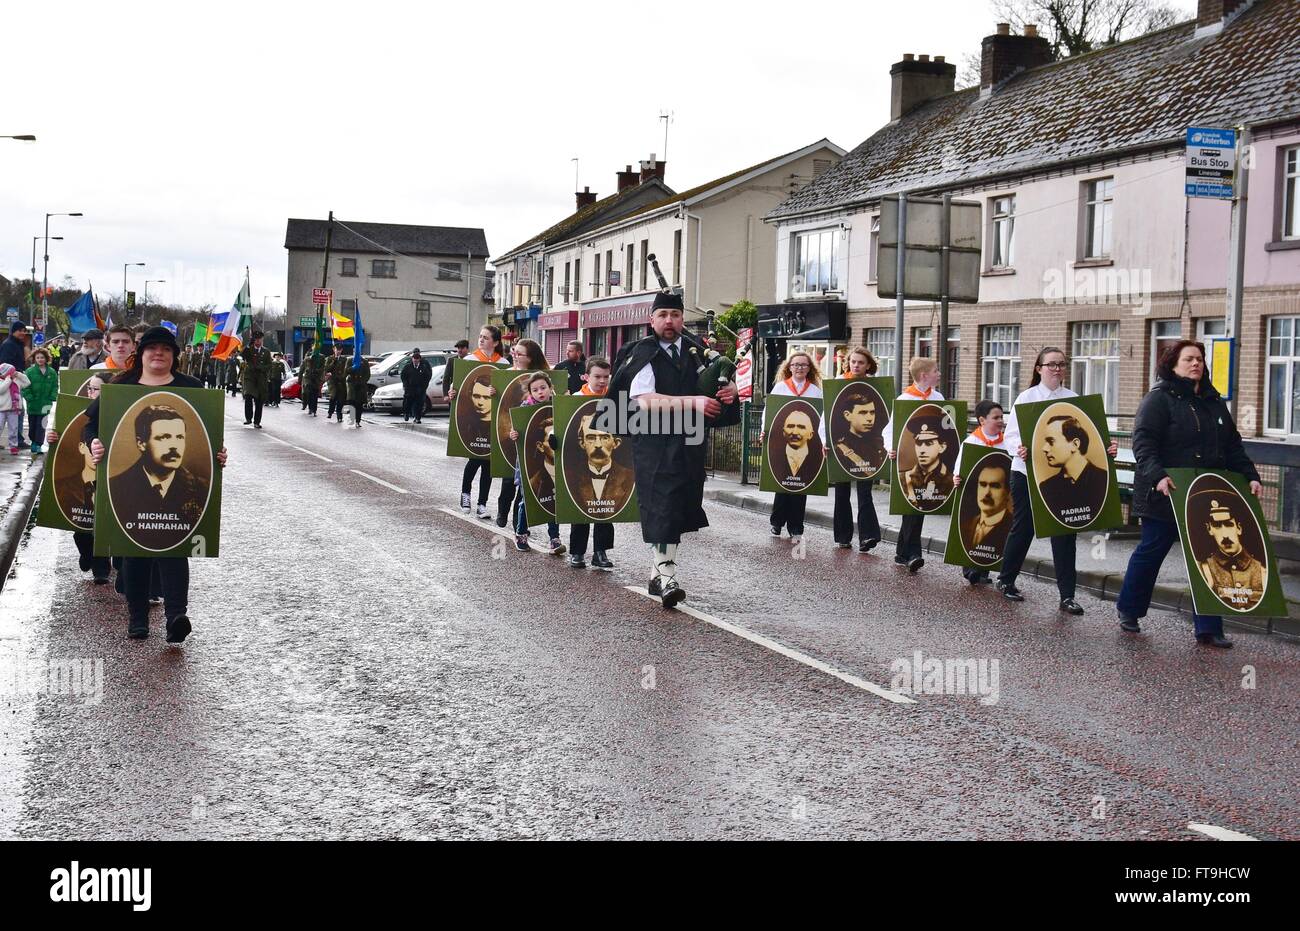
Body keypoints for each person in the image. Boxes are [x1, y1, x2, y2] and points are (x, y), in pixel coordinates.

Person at [82, 325, 228, 642]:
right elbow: (90, 424)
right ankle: (137, 619)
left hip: (180, 494)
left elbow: (209, 429)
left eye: (165, 348)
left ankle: (177, 616)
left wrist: (219, 452)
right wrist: (94, 442)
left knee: (176, 550)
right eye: (152, 348)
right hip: (133, 493)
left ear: (174, 355)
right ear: (141, 354)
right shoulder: (122, 385)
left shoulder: (192, 387)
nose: (158, 353)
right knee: (134, 553)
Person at [1116, 340, 1261, 648]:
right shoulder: (1158, 400)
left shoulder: (1213, 401)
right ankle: (1129, 609)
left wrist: (1251, 476)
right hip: (1168, 491)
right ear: (1173, 364)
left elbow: (1233, 445)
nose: (1196, 364)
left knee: (1208, 557)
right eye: (1189, 359)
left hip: (1206, 494)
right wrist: (1158, 476)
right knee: (1152, 550)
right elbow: (1143, 443)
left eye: (1199, 359)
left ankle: (1209, 628)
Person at [609, 290, 739, 608]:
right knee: (662, 504)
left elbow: (714, 384)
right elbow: (644, 400)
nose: (670, 321)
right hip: (653, 441)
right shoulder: (641, 352)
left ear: (682, 318)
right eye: (663, 315)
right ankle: (668, 579)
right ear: (651, 319)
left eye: (675, 315)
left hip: (689, 440)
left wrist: (730, 391)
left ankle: (656, 573)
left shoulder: (697, 351)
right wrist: (694, 402)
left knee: (678, 506)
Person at [996, 346, 1119, 615]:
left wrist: (1107, 449)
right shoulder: (1027, 398)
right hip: (1027, 473)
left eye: (1061, 364)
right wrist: (1020, 448)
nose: (1057, 369)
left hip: (1061, 479)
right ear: (1039, 369)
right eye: (1051, 364)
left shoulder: (1073, 400)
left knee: (1064, 532)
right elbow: (1011, 435)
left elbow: (1092, 438)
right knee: (1024, 527)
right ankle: (1006, 580)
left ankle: (1067, 596)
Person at [47, 375, 112, 583]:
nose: (91, 394)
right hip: (82, 477)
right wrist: (52, 435)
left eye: (97, 390)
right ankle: (86, 552)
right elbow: (55, 429)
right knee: (81, 524)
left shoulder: (112, 411)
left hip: (108, 473)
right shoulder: (73, 408)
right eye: (90, 389)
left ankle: (101, 567)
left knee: (103, 521)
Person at [886, 356, 945, 573]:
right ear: (924, 375)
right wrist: (890, 448)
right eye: (936, 371)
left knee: (918, 506)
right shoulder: (904, 399)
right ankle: (913, 554)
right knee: (913, 506)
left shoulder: (937, 397)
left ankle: (902, 553)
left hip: (931, 459)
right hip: (909, 459)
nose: (939, 374)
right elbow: (890, 430)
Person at [764, 351, 823, 543]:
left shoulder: (815, 391)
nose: (799, 368)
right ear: (789, 367)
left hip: (807, 443)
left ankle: (796, 526)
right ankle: (777, 522)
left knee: (800, 486)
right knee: (782, 483)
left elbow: (821, 417)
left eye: (804, 365)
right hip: (783, 442)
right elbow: (770, 410)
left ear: (809, 369)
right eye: (796, 365)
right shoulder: (781, 387)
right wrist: (766, 429)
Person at [829, 347, 884, 553]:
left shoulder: (876, 386)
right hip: (840, 443)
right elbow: (828, 414)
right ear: (848, 363)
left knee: (865, 492)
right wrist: (827, 441)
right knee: (842, 492)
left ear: (868, 365)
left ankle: (867, 536)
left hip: (869, 444)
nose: (856, 365)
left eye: (861, 362)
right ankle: (843, 536)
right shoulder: (839, 382)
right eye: (853, 362)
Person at [490, 338, 549, 526]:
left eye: (519, 353)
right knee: (508, 480)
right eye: (514, 351)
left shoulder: (544, 379)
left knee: (524, 485)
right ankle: (502, 512)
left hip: (532, 439)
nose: (514, 355)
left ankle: (519, 523)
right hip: (510, 434)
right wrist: (493, 392)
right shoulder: (506, 375)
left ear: (530, 358)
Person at [505, 372, 565, 554]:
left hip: (553, 460)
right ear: (530, 392)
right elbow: (515, 430)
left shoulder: (559, 405)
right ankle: (521, 533)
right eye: (535, 390)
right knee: (527, 498)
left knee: (553, 499)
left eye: (543, 388)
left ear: (550, 387)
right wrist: (513, 434)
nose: (540, 392)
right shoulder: (525, 408)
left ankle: (554, 538)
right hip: (530, 462)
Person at [567, 356, 616, 570]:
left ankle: (600, 552)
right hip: (580, 462)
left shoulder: (614, 399)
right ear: (586, 377)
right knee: (581, 507)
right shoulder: (575, 398)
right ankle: (577, 552)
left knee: (606, 508)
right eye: (597, 376)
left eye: (606, 376)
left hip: (608, 461)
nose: (602, 381)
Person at [452, 328, 505, 518]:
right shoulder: (470, 361)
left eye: (486, 337)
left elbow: (507, 394)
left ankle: (482, 503)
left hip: (493, 422)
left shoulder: (503, 364)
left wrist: (497, 392)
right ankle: (465, 494)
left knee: (489, 465)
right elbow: (457, 388)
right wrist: (453, 393)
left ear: (496, 342)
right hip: (474, 422)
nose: (481, 340)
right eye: (480, 337)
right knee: (474, 459)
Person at [955, 399, 1009, 584]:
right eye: (996, 417)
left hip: (998, 498)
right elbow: (960, 465)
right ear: (982, 420)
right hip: (974, 495)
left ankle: (985, 570)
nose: (1001, 420)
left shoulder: (1007, 443)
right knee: (973, 528)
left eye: (1002, 417)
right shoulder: (972, 442)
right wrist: (957, 477)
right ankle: (970, 568)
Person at [1036, 414, 1110, 527]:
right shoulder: (1047, 487)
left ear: (1075, 444)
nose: (1044, 448)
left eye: (1051, 441)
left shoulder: (1103, 480)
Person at [21, 348, 58, 455]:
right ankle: (33, 441)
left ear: (46, 358)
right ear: (34, 359)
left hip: (46, 404)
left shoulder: (52, 372)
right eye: (38, 357)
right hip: (33, 403)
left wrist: (52, 396)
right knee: (33, 424)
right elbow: (25, 386)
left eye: (42, 357)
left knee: (42, 425)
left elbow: (55, 386)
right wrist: (29, 397)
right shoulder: (29, 372)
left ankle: (38, 444)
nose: (40, 359)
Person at [0, 323, 31, 449]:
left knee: (17, 411)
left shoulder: (17, 344)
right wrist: (13, 375)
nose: (23, 333)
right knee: (16, 411)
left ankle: (17, 439)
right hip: (11, 382)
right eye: (20, 331)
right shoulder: (9, 345)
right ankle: (17, 440)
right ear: (13, 331)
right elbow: (4, 364)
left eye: (24, 331)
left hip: (14, 380)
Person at [241, 330, 272, 427]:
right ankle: (248, 418)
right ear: (254, 340)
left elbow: (269, 365)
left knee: (259, 401)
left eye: (260, 339)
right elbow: (242, 355)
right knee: (248, 396)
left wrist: (261, 368)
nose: (258, 341)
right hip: (250, 378)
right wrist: (248, 345)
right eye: (256, 339)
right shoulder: (249, 350)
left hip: (260, 379)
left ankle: (257, 422)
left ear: (262, 340)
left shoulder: (266, 352)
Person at [1, 362, 31, 454]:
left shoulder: (17, 380)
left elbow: (27, 383)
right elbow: (2, 390)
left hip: (14, 409)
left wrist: (19, 374)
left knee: (14, 428)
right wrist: (8, 379)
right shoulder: (3, 381)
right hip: (1, 409)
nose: (14, 373)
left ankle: (13, 446)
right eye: (12, 372)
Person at [400, 348, 433, 423]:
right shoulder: (408, 365)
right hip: (410, 388)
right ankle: (406, 413)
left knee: (419, 403)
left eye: (417, 358)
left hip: (420, 389)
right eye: (414, 357)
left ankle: (417, 417)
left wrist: (424, 386)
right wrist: (406, 385)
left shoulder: (424, 365)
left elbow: (428, 376)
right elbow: (403, 376)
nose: (415, 360)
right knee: (408, 402)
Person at [345, 351, 370, 427]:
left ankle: (358, 421)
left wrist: (362, 382)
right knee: (352, 402)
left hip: (361, 386)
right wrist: (353, 367)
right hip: (352, 385)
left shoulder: (364, 361)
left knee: (359, 404)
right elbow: (346, 371)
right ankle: (352, 418)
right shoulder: (350, 360)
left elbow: (367, 374)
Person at [325, 343, 349, 422]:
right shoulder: (330, 358)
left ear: (341, 350)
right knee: (333, 397)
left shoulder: (344, 359)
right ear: (333, 349)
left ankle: (339, 415)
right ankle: (330, 412)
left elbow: (346, 370)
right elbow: (327, 369)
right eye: (336, 349)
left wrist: (343, 376)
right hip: (333, 381)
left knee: (340, 400)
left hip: (341, 381)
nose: (337, 351)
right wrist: (333, 361)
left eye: (339, 350)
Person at [300, 344, 325, 416]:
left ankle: (314, 410)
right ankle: (309, 407)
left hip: (316, 378)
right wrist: (300, 378)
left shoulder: (321, 357)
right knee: (308, 393)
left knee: (315, 395)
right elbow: (303, 366)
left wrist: (318, 371)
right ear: (312, 347)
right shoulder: (308, 355)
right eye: (314, 346)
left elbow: (323, 367)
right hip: (308, 377)